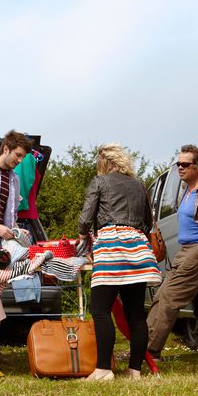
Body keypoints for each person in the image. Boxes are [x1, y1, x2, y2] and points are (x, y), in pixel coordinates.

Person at [78, 144, 162, 380]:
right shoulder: (139, 185)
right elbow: (148, 222)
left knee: (100, 310)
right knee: (135, 314)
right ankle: (135, 371)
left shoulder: (100, 181)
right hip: (137, 247)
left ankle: (103, 369)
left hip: (111, 246)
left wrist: (83, 235)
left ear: (104, 162)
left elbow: (86, 217)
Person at [146, 144, 198, 359]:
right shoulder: (187, 190)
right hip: (186, 250)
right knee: (161, 296)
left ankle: (150, 351)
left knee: (169, 298)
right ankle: (144, 348)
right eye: (178, 164)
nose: (180, 168)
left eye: (185, 164)